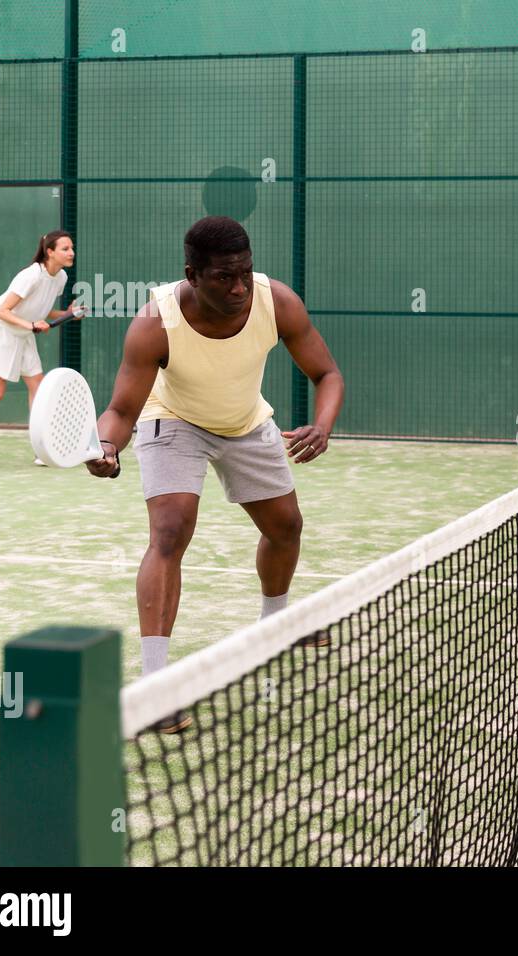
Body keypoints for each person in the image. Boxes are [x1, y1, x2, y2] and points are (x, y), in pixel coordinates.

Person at [85, 216, 344, 731]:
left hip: (246, 420)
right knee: (170, 530)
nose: (240, 287)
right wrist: (107, 445)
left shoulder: (278, 302)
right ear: (192, 274)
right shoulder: (155, 323)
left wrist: (322, 424)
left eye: (245, 273)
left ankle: (276, 625)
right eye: (224, 277)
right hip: (173, 419)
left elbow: (327, 373)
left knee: (286, 527)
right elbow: (120, 409)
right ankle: (155, 687)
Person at [0, 231, 87, 469]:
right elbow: (3, 311)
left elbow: (39, 309)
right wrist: (31, 325)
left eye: (71, 248)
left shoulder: (60, 277)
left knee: (38, 390)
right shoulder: (30, 276)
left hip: (23, 335)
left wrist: (67, 314)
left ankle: (43, 449)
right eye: (65, 249)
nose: (71, 253)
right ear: (49, 252)